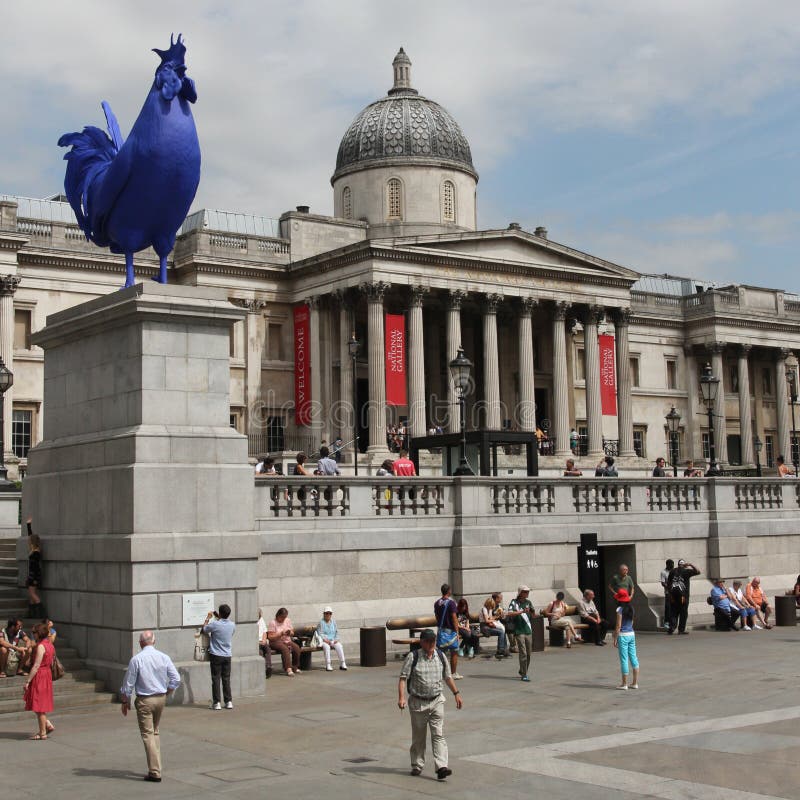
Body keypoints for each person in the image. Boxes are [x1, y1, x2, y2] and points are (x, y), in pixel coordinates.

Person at [397, 628, 463, 780]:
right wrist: (401, 698)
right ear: (422, 642)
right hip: (418, 702)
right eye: (428, 641)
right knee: (419, 737)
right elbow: (402, 678)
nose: (432, 643)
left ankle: (441, 767)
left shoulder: (440, 656)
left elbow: (447, 677)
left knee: (438, 734)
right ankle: (417, 764)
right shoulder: (413, 657)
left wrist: (456, 694)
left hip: (436, 700)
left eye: (433, 640)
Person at [119, 630, 180, 782]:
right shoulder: (163, 657)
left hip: (145, 700)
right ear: (154, 641)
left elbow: (128, 683)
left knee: (147, 734)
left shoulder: (137, 659)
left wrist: (125, 700)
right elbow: (176, 678)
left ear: (140, 643)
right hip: (160, 698)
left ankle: (155, 771)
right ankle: (157, 765)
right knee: (155, 731)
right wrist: (168, 691)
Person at [23, 622, 56, 740]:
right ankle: (46, 725)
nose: (33, 635)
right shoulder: (50, 645)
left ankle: (42, 733)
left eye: (34, 633)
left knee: (39, 705)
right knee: (39, 703)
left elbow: (36, 665)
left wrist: (28, 681)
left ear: (39, 633)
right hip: (47, 674)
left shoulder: (41, 646)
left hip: (40, 675)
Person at [203, 604, 236, 710]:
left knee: (216, 679)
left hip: (216, 655)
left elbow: (204, 629)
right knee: (226, 679)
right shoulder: (232, 625)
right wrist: (219, 618)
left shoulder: (215, 624)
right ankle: (228, 701)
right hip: (227, 655)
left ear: (220, 613)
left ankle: (217, 702)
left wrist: (208, 618)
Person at [612, 589, 639, 690]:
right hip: (631, 633)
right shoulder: (631, 608)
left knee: (624, 659)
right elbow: (632, 622)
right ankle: (635, 683)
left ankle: (624, 684)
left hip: (623, 635)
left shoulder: (619, 609)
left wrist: (615, 638)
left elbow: (618, 626)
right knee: (633, 657)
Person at [506, 586, 535, 681]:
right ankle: (524, 675)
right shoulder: (514, 602)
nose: (527, 593)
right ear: (520, 592)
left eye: (528, 591)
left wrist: (531, 612)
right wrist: (521, 611)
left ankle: (523, 670)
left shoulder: (529, 602)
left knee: (529, 653)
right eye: (525, 592)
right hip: (519, 630)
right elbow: (509, 613)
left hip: (528, 630)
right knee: (523, 652)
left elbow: (533, 616)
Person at [434, 584, 461, 679]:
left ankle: (441, 673)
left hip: (441, 631)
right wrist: (457, 631)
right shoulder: (451, 603)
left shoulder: (437, 603)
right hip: (451, 631)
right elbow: (454, 617)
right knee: (454, 652)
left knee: (441, 653)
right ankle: (453, 673)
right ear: (449, 591)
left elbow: (437, 617)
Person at [667, 559, 701, 634]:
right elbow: (698, 571)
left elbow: (668, 583)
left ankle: (672, 627)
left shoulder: (672, 571)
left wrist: (670, 593)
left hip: (673, 595)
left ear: (678, 564)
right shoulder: (686, 571)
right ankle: (681, 630)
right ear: (684, 564)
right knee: (683, 612)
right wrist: (691, 564)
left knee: (673, 612)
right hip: (683, 596)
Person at [268, 607, 301, 676]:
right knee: (285, 649)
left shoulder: (287, 620)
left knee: (296, 648)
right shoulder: (273, 623)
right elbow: (270, 637)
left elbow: (292, 632)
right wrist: (280, 634)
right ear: (278, 615)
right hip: (275, 642)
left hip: (286, 640)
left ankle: (295, 667)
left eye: (285, 617)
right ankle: (288, 668)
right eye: (282, 617)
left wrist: (289, 633)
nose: (283, 619)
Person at [317, 606, 347, 671]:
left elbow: (337, 632)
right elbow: (320, 633)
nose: (328, 615)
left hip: (333, 640)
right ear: (324, 614)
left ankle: (343, 663)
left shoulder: (333, 622)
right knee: (327, 647)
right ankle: (328, 664)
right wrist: (325, 640)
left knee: (339, 646)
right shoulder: (321, 623)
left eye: (330, 613)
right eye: (326, 613)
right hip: (324, 641)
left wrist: (336, 639)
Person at [25, 518, 44, 617]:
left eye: (30, 541)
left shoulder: (36, 553)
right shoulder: (34, 550)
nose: (28, 541)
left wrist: (34, 579)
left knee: (33, 594)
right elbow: (30, 536)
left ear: (32, 542)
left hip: (34, 577)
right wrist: (28, 525)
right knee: (31, 595)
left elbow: (36, 567)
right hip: (33, 576)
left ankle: (41, 614)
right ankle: (31, 614)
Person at [257, 609, 273, 679]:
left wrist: (264, 640)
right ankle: (262, 670)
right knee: (260, 652)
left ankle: (268, 667)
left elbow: (264, 632)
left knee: (268, 650)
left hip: (262, 641)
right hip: (256, 643)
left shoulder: (261, 620)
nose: (259, 618)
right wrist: (259, 642)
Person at [660, 559, 675, 631]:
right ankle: (666, 622)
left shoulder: (674, 571)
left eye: (673, 565)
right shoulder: (663, 572)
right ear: (667, 565)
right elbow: (663, 583)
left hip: (675, 592)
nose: (672, 566)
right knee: (668, 607)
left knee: (675, 607)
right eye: (671, 565)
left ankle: (673, 623)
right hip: (668, 593)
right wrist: (669, 587)